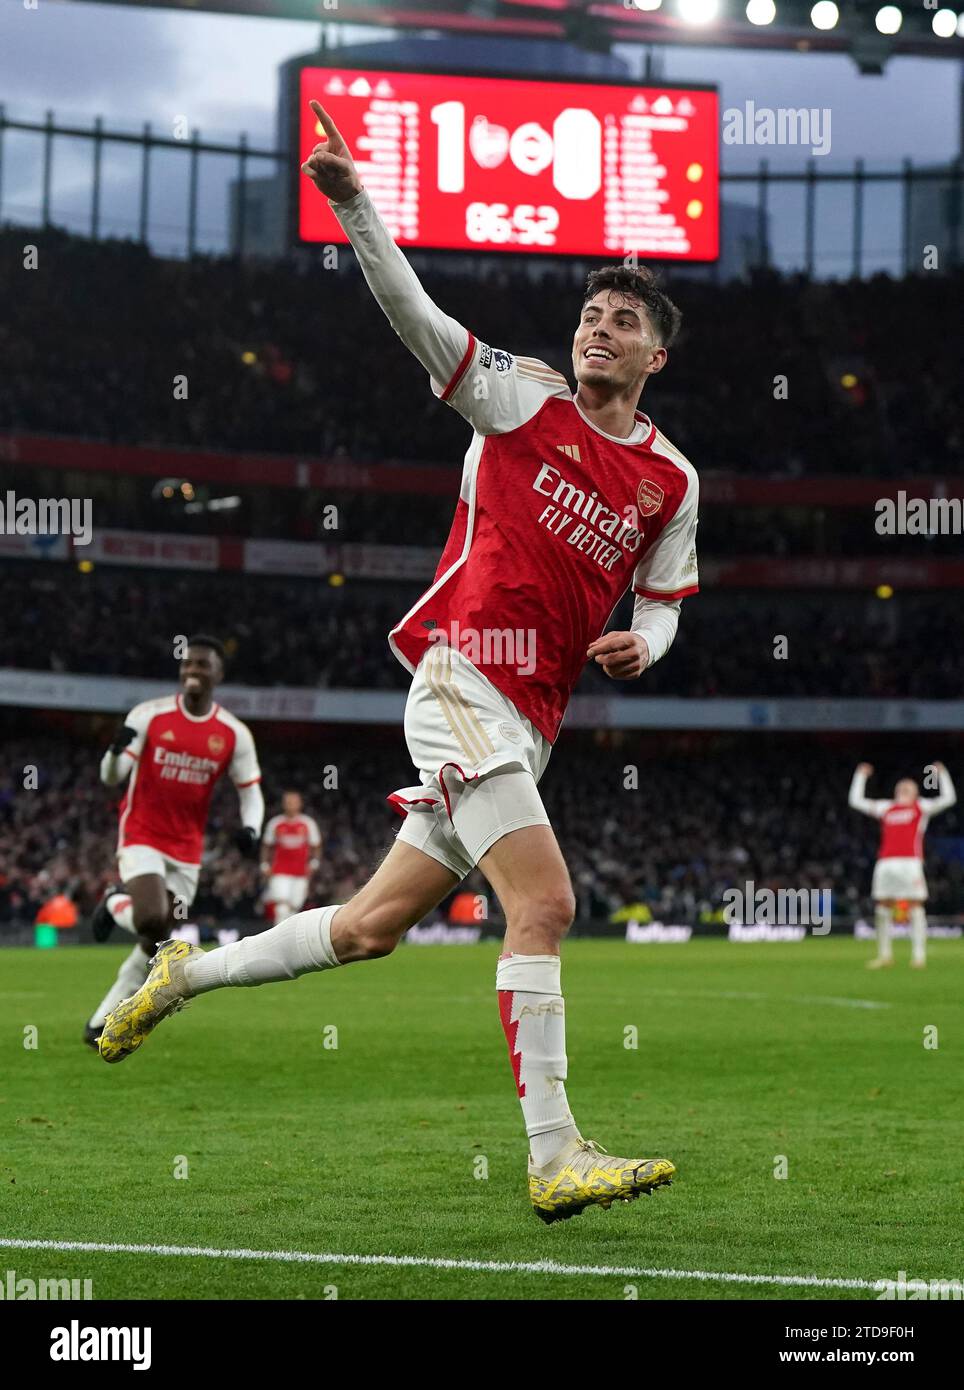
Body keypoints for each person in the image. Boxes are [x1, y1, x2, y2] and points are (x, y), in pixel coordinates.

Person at [99, 103, 699, 1225]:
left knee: (369, 927)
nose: (597, 330)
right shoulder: (520, 399)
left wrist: (643, 643)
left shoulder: (671, 479)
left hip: (532, 717)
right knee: (548, 902)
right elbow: (414, 314)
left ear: (656, 354)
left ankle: (185, 972)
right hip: (462, 679)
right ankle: (554, 1151)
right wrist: (355, 205)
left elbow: (665, 601)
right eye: (590, 313)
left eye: (621, 321)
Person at [85, 636, 263, 1044]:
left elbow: (250, 791)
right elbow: (111, 777)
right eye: (188, 665)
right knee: (149, 916)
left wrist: (252, 827)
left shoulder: (233, 733)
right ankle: (116, 902)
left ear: (218, 674)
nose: (193, 672)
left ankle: (100, 1022)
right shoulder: (149, 715)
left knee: (157, 939)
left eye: (203, 665)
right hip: (141, 833)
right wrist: (113, 754)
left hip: (187, 848)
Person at [848, 761, 956, 969]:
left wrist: (942, 774)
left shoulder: (921, 807)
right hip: (886, 863)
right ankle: (884, 955)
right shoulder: (886, 808)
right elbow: (855, 801)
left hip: (910, 863)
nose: (904, 788)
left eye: (908, 786)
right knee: (882, 908)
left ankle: (918, 956)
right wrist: (860, 776)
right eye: (901, 786)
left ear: (915, 792)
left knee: (915, 906)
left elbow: (949, 798)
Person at [261, 790, 321, 924]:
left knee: (294, 907)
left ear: (300, 804)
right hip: (280, 871)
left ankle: (287, 939)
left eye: (293, 802)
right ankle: (278, 938)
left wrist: (314, 863)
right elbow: (266, 845)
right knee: (281, 906)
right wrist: (264, 864)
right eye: (288, 802)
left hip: (300, 873)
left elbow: (316, 845)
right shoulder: (275, 823)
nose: (290, 804)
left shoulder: (307, 823)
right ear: (283, 804)